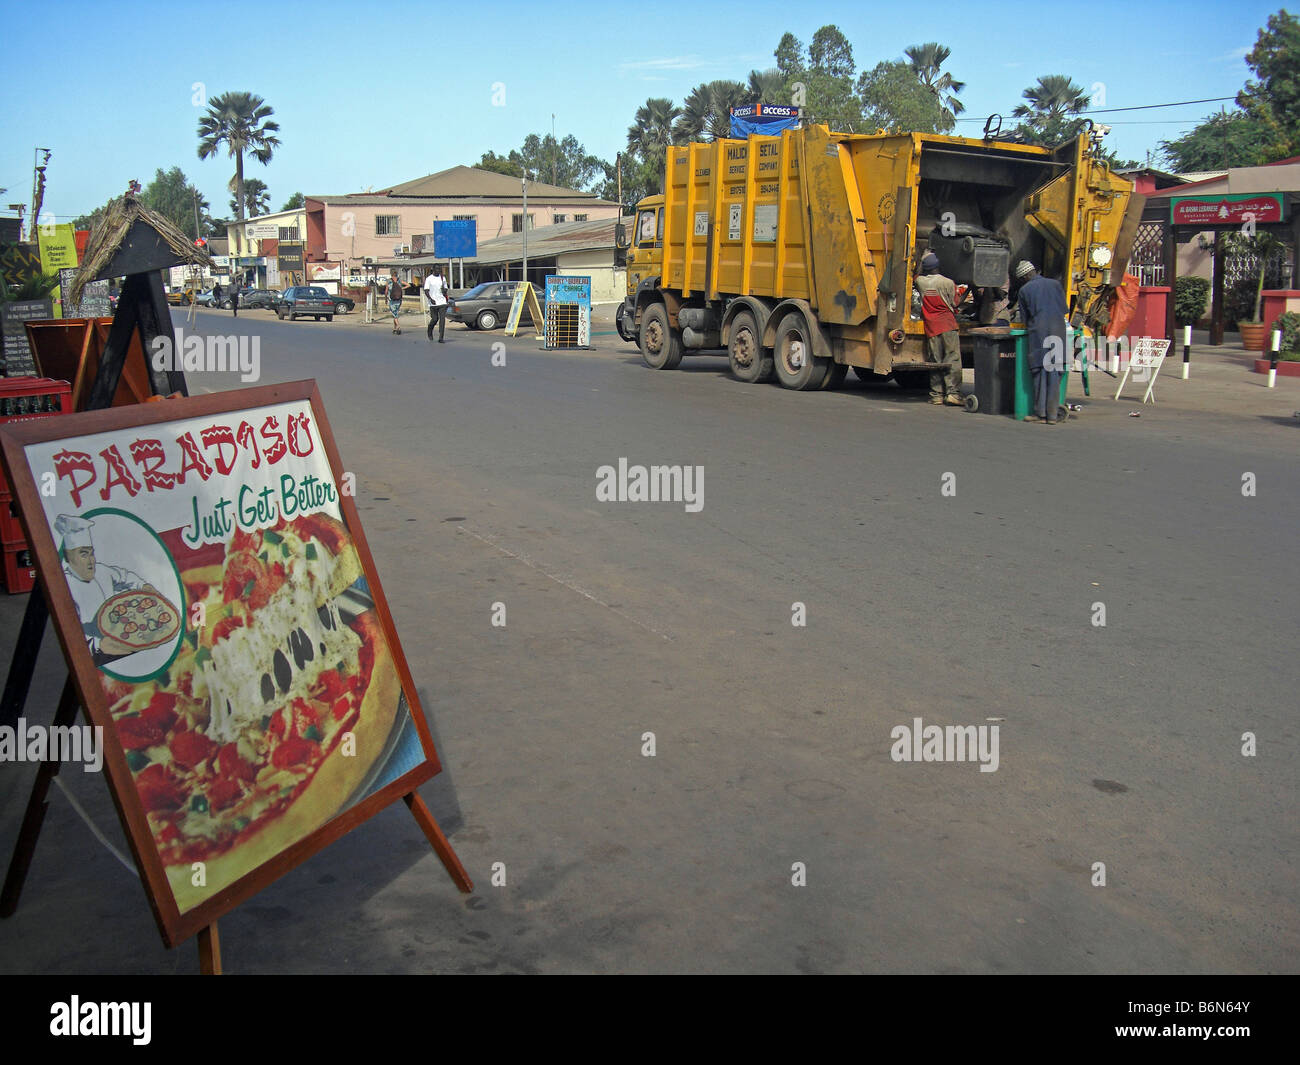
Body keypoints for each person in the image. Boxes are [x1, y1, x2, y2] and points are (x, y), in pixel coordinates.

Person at [55, 515, 155, 661]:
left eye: (91, 554)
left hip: (123, 635)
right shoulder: (65, 586)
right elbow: (73, 635)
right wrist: (99, 645)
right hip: (99, 655)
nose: (91, 561)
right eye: (83, 554)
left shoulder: (101, 571)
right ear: (68, 557)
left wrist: (143, 586)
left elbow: (124, 576)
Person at [1014, 260, 1068, 425]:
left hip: (1039, 333)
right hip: (1059, 331)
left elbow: (1024, 319)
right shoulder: (1055, 284)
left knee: (1040, 372)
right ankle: (1052, 415)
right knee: (1054, 371)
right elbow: (1064, 309)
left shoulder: (1025, 290)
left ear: (1024, 277)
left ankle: (1041, 413)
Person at [913, 251, 964, 405]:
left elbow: (916, 275)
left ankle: (936, 395)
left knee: (935, 360)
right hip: (947, 324)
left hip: (931, 326)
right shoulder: (948, 282)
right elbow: (955, 303)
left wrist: (920, 262)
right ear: (938, 265)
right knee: (952, 358)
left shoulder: (920, 281)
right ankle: (953, 393)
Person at [423, 266, 450, 343]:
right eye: (437, 269)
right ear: (433, 270)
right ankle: (430, 330)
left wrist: (444, 290)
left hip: (442, 302)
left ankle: (441, 337)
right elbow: (426, 291)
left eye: (439, 269)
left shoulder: (442, 278)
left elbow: (446, 288)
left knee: (442, 320)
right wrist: (430, 299)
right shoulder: (429, 279)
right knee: (435, 319)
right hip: (433, 303)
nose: (438, 271)